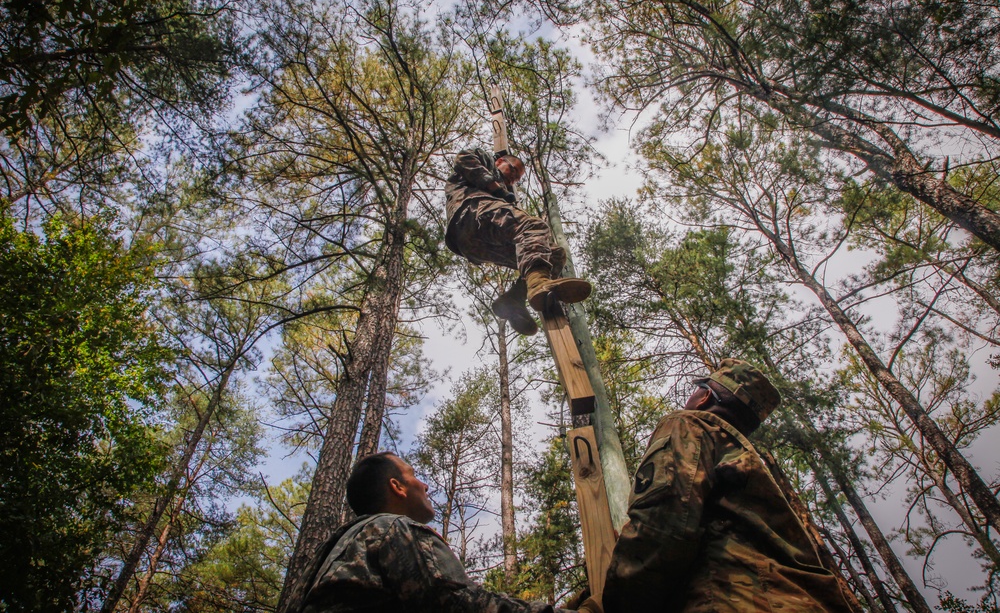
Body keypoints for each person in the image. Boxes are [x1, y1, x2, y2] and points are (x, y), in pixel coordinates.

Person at [601, 359, 855, 613]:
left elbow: (663, 525)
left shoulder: (690, 425)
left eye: (697, 389)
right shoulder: (751, 468)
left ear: (704, 397)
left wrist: (614, 603)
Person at [299, 452, 571, 613]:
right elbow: (462, 605)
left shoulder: (332, 553)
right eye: (413, 474)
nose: (425, 486)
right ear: (397, 487)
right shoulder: (394, 530)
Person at [445, 148, 591, 336]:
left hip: (473, 246)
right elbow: (464, 158)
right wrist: (495, 187)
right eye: (513, 170)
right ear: (500, 162)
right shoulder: (487, 161)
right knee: (533, 226)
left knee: (554, 254)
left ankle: (515, 298)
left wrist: (504, 193)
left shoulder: (505, 191)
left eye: (517, 178)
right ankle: (537, 283)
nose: (514, 179)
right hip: (472, 212)